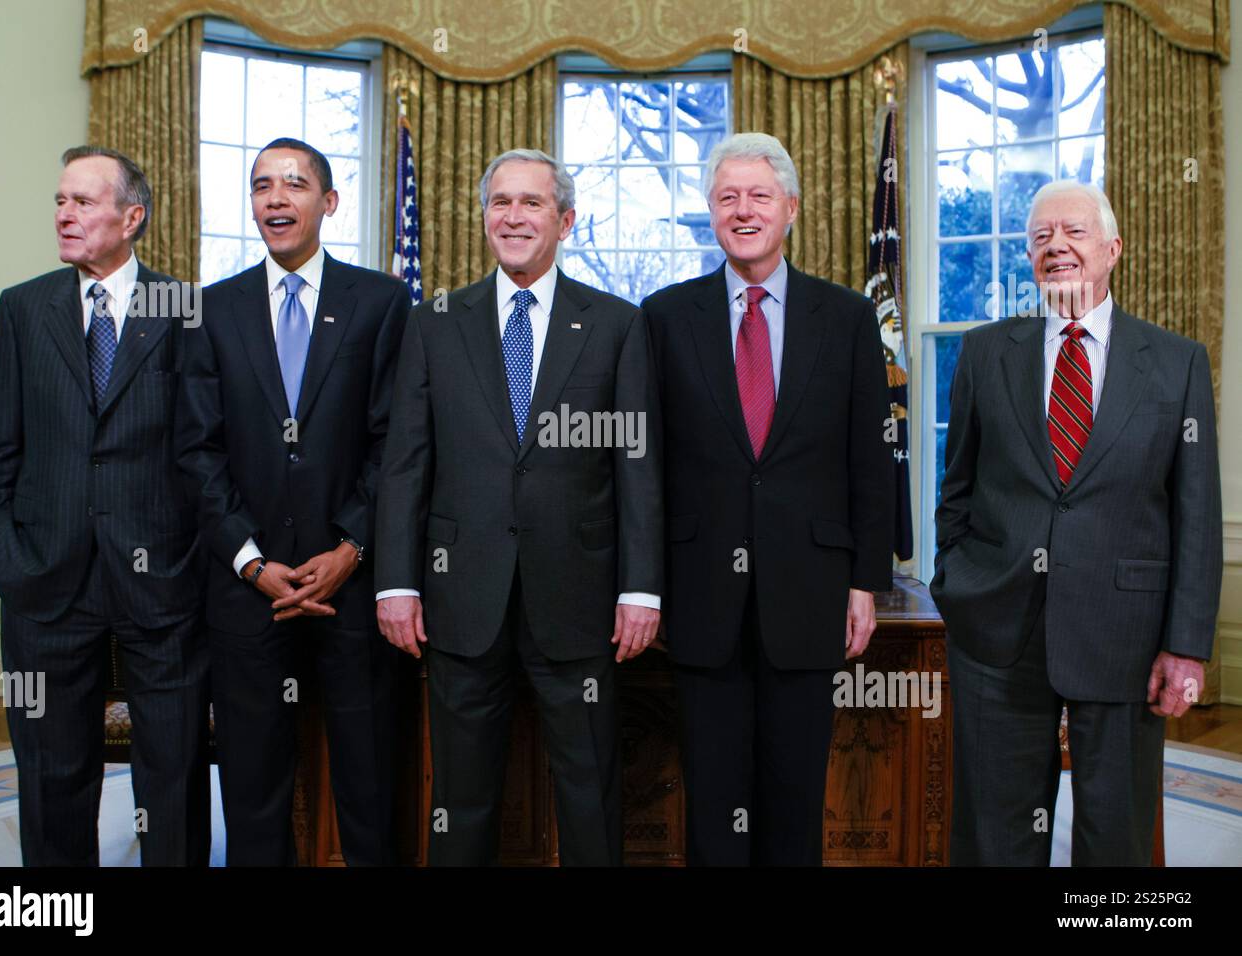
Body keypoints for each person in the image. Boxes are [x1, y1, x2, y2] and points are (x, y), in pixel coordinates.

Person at [374, 148, 664, 866]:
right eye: (500, 203)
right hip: (460, 598)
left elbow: (638, 465)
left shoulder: (616, 324)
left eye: (531, 203)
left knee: (589, 790)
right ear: (483, 219)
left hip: (581, 598)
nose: (513, 216)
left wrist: (640, 587)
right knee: (462, 799)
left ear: (565, 220)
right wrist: (397, 581)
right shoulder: (434, 322)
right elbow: (406, 461)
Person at [930, 180, 1222, 866]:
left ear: (1113, 250)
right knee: (995, 833)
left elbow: (1198, 513)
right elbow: (958, 490)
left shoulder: (1176, 363)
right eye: (1039, 237)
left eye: (1074, 232)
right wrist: (958, 581)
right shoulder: (984, 354)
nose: (1055, 246)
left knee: (1114, 835)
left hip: (1126, 633)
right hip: (999, 630)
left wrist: (1185, 644)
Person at [640, 132, 895, 866]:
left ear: (790, 207)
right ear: (710, 212)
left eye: (758, 196)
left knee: (793, 802)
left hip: (811, 592)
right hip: (699, 596)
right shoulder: (665, 317)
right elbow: (645, 464)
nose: (742, 211)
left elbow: (869, 459)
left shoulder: (845, 317)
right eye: (727, 198)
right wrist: (646, 587)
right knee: (713, 804)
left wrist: (864, 580)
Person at [175, 137, 410, 865]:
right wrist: (251, 562)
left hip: (353, 588)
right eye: (261, 186)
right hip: (250, 596)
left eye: (294, 184)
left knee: (370, 787)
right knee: (253, 791)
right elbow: (196, 451)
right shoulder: (210, 310)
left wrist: (349, 548)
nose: (276, 198)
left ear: (328, 203)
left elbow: (395, 444)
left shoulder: (381, 302)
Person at [0, 145, 209, 866]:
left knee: (171, 773)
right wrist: (10, 560)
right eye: (59, 201)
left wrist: (191, 561)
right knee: (51, 773)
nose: (64, 214)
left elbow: (206, 451)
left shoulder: (185, 308)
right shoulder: (23, 307)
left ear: (131, 217)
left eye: (82, 201)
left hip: (160, 581)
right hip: (45, 582)